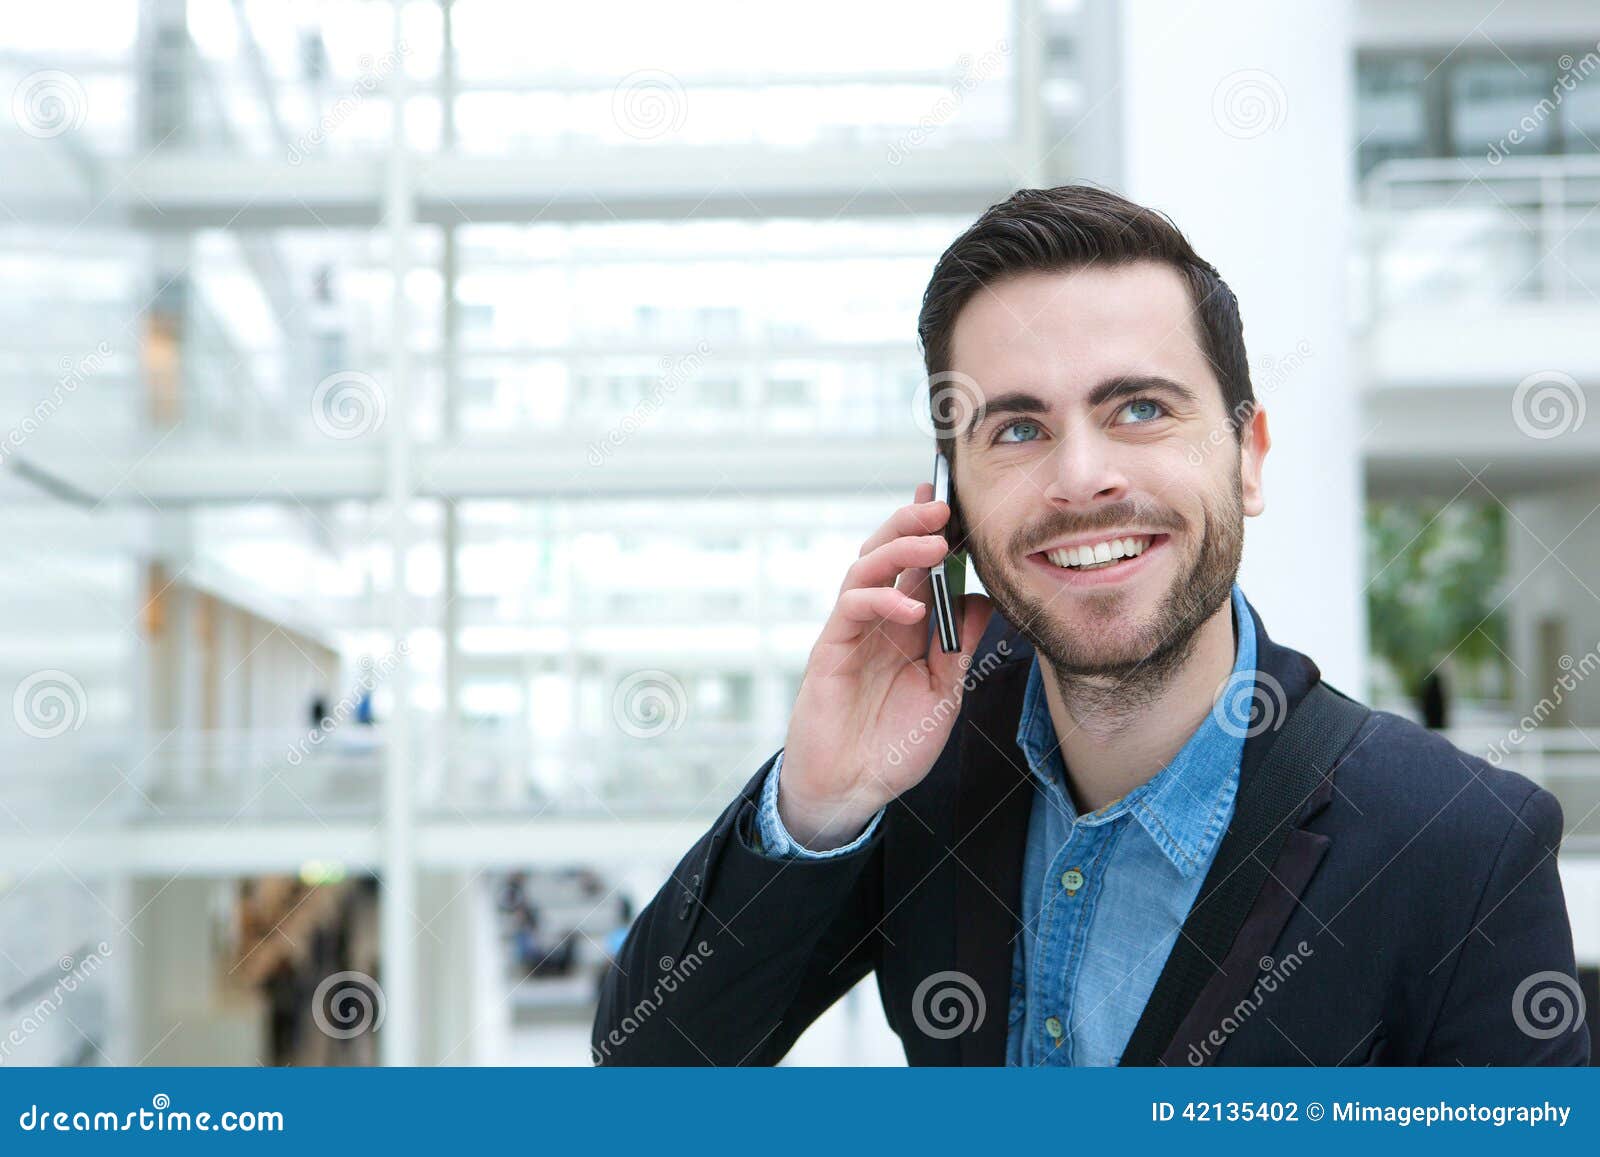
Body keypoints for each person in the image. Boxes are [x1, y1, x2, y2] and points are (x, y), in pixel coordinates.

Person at [593, 186, 1589, 1067]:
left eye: (1141, 409)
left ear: (1247, 456)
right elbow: (649, 1072)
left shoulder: (1460, 849)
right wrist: (819, 803)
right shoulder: (918, 771)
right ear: (949, 508)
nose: (1080, 479)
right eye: (1016, 429)